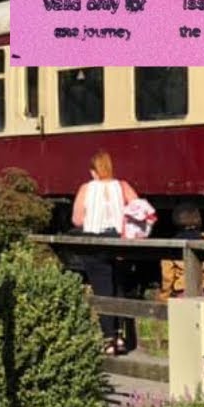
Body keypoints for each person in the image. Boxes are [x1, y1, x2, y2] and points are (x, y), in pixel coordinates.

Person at [71, 151, 139, 355]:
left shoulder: (86, 188)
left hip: (95, 243)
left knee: (102, 290)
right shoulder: (123, 186)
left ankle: (108, 338)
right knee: (118, 287)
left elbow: (77, 219)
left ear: (93, 171)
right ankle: (120, 336)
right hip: (119, 242)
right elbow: (139, 209)